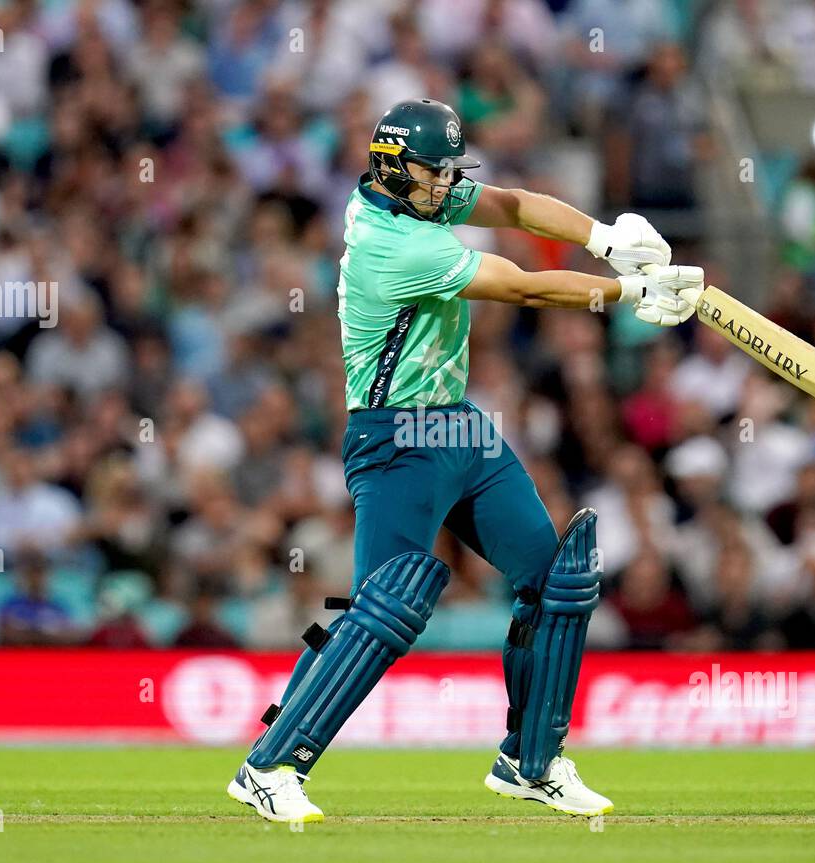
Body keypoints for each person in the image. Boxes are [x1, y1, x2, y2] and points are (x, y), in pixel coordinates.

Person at [227, 98, 704, 823]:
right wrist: (627, 291)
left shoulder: (417, 197)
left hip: (457, 427)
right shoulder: (397, 245)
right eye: (432, 172)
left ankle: (531, 762)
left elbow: (512, 205)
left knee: (557, 582)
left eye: (452, 172)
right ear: (392, 168)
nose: (446, 186)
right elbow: (524, 283)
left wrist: (604, 237)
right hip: (393, 439)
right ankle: (269, 766)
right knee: (384, 610)